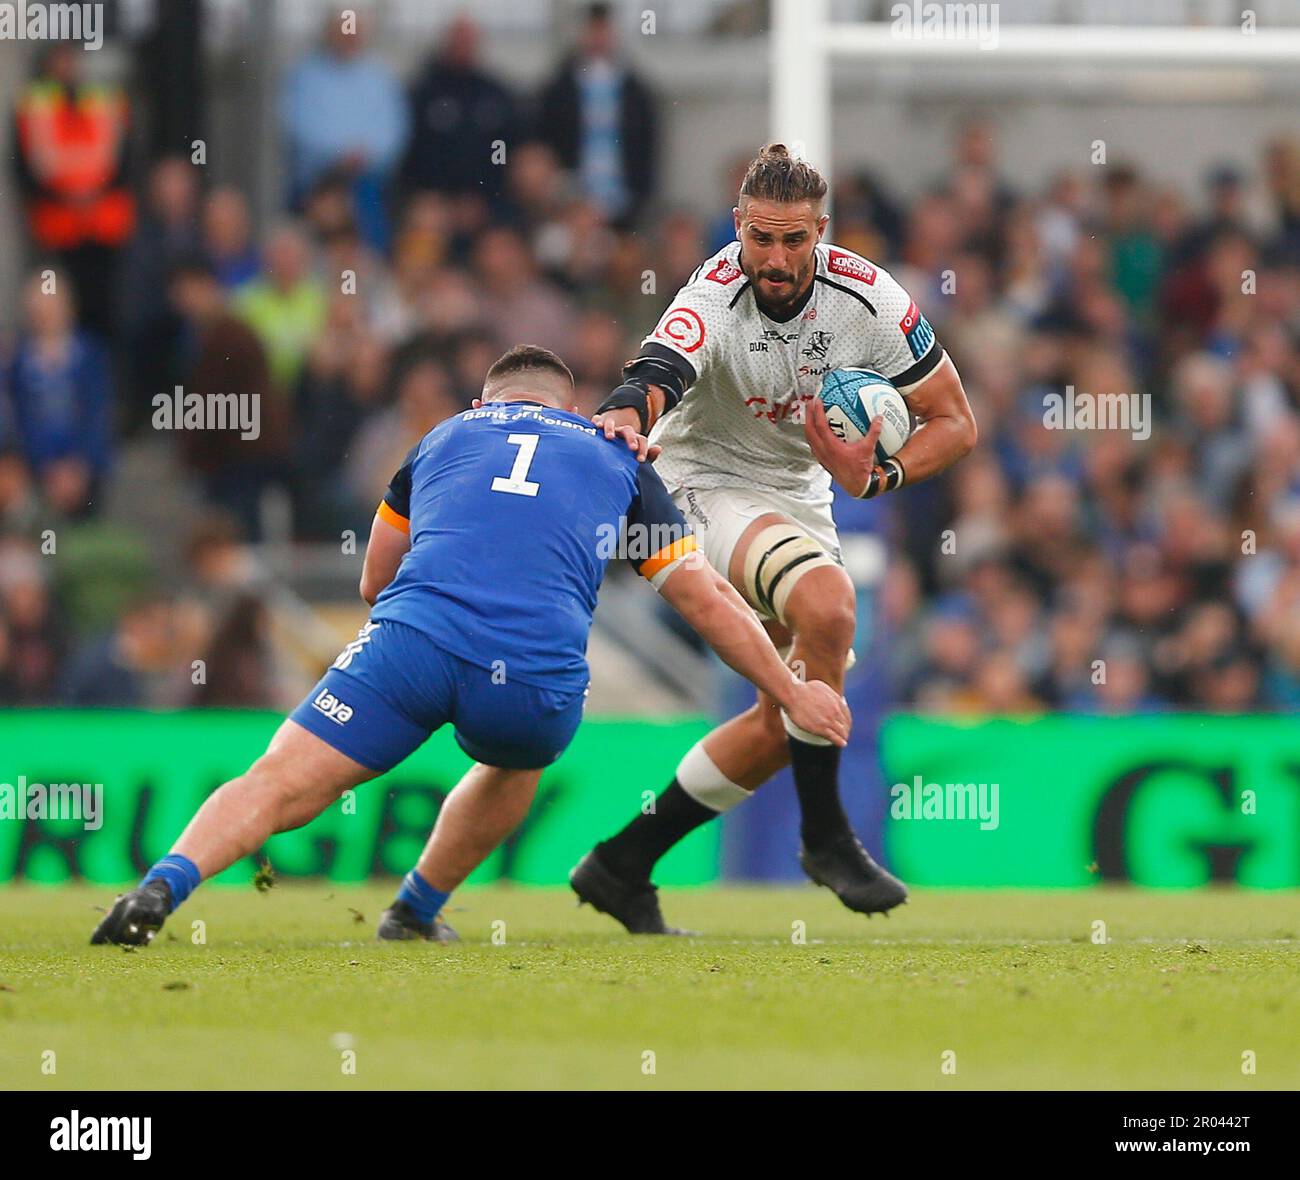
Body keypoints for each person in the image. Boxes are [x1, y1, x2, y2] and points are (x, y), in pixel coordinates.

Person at [91, 345, 849, 947]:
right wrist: (794, 692)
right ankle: (416, 909)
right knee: (515, 762)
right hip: (532, 676)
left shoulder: (443, 436)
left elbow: (372, 583)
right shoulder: (616, 452)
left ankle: (162, 883)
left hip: (412, 642)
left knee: (281, 781)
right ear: (574, 408)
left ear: (485, 403)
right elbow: (706, 600)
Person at [573, 144, 977, 933]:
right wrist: (627, 412)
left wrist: (880, 476)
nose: (778, 258)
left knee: (777, 717)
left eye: (795, 241)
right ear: (738, 229)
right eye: (762, 238)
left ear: (821, 233)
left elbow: (956, 422)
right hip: (701, 479)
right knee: (828, 606)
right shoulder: (712, 294)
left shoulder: (870, 301)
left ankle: (621, 863)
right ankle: (825, 836)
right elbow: (659, 368)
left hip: (799, 493)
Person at [535, 2, 658, 227]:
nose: (598, 38)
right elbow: (547, 141)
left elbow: (646, 148)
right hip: (570, 201)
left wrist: (639, 195)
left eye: (604, 31)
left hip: (623, 204)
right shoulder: (559, 89)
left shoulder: (636, 92)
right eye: (593, 31)